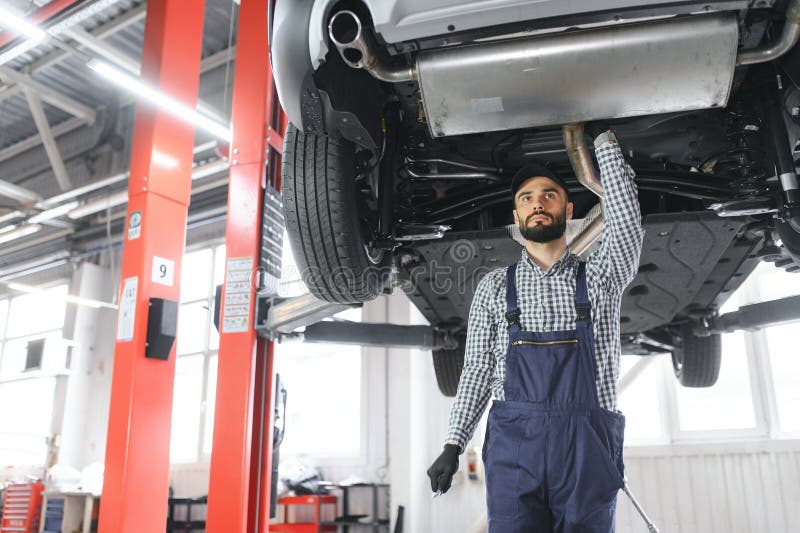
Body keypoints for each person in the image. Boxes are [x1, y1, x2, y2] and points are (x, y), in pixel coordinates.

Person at [427, 124, 644, 532]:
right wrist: (453, 444)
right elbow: (476, 369)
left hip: (587, 444)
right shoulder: (493, 288)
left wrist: (605, 144)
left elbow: (627, 223)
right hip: (515, 449)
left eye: (549, 195)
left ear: (568, 211)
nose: (537, 203)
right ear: (517, 216)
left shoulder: (601, 276)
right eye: (526, 198)